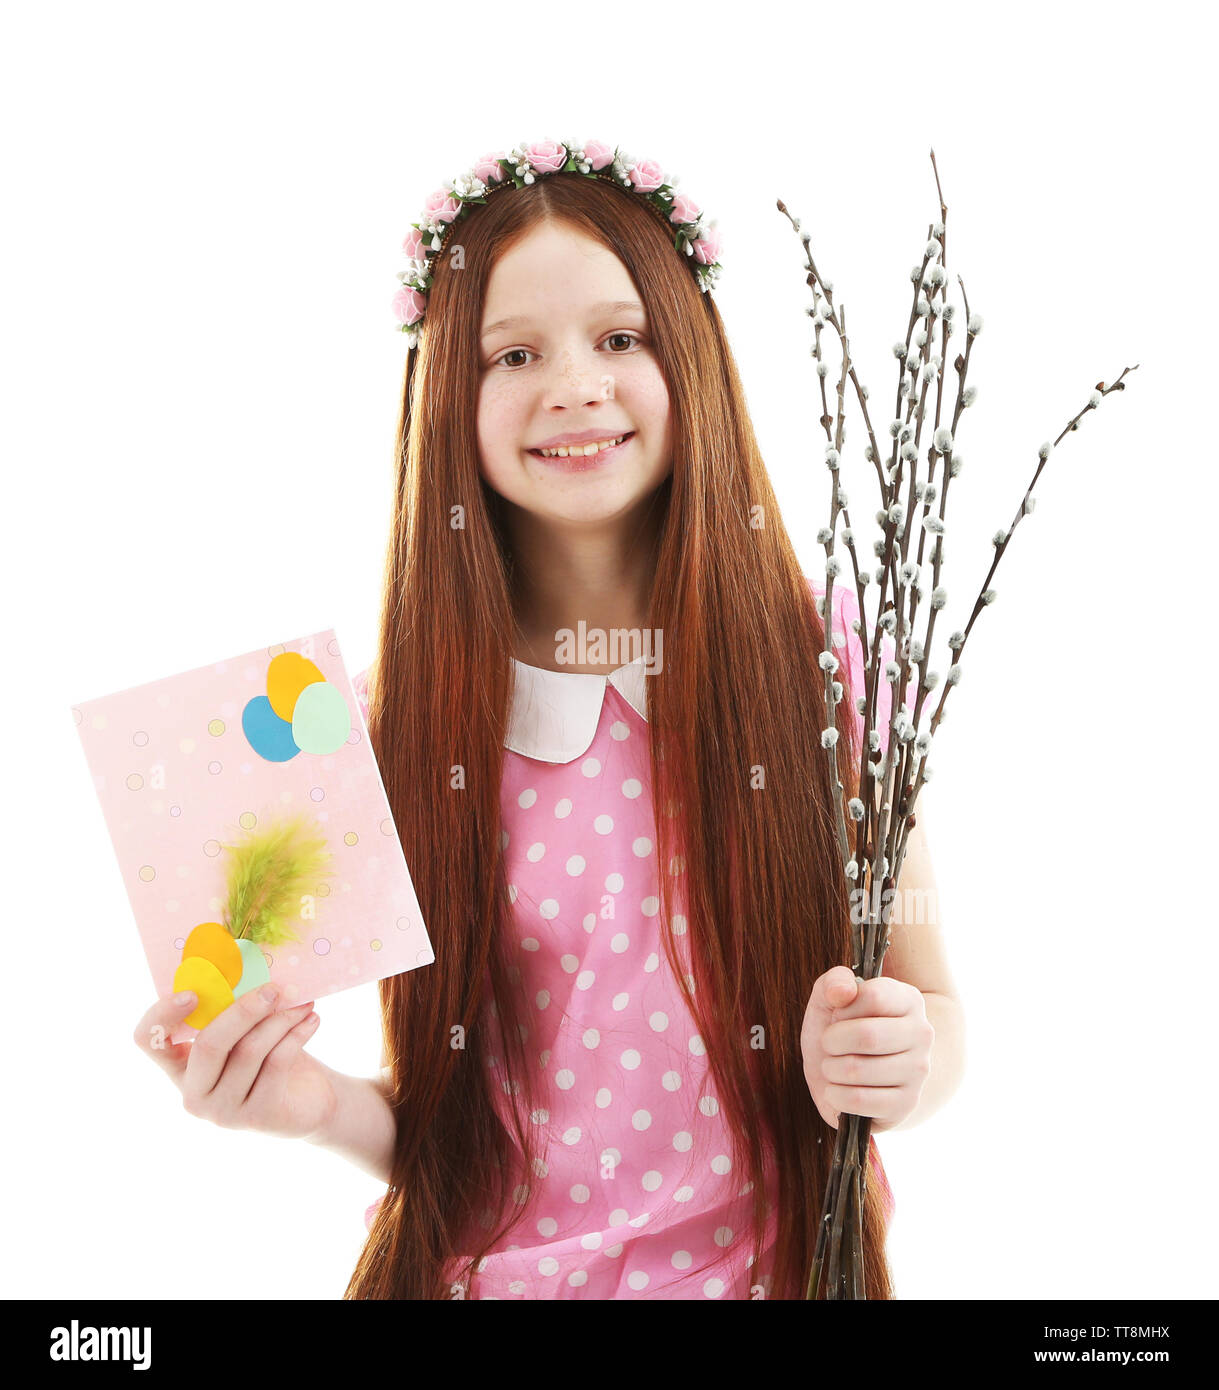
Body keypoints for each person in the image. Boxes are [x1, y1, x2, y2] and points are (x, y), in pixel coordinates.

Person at [134, 139, 965, 1300]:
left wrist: (893, 1058)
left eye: (620, 338)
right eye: (513, 352)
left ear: (692, 357)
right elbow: (448, 1144)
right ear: (444, 397)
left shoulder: (821, 666)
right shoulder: (384, 732)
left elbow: (933, 1008)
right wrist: (315, 1107)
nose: (574, 383)